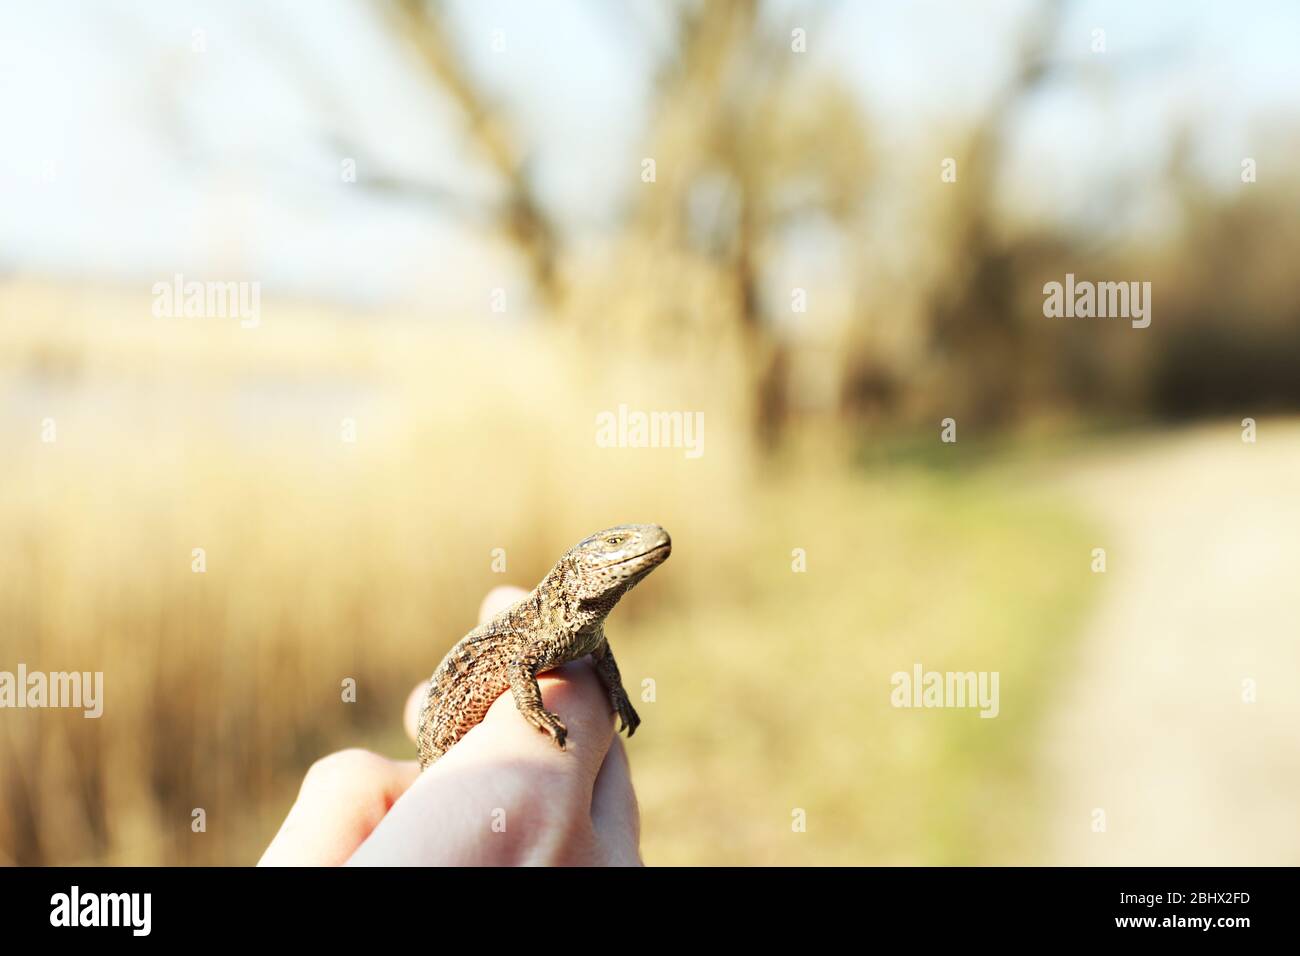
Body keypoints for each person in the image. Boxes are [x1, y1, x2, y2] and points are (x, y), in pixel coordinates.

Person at [258, 586, 642, 866]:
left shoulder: (585, 628)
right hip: (442, 736)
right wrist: (533, 709)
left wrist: (618, 694)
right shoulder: (550, 623)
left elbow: (601, 654)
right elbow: (518, 663)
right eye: (615, 542)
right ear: (579, 572)